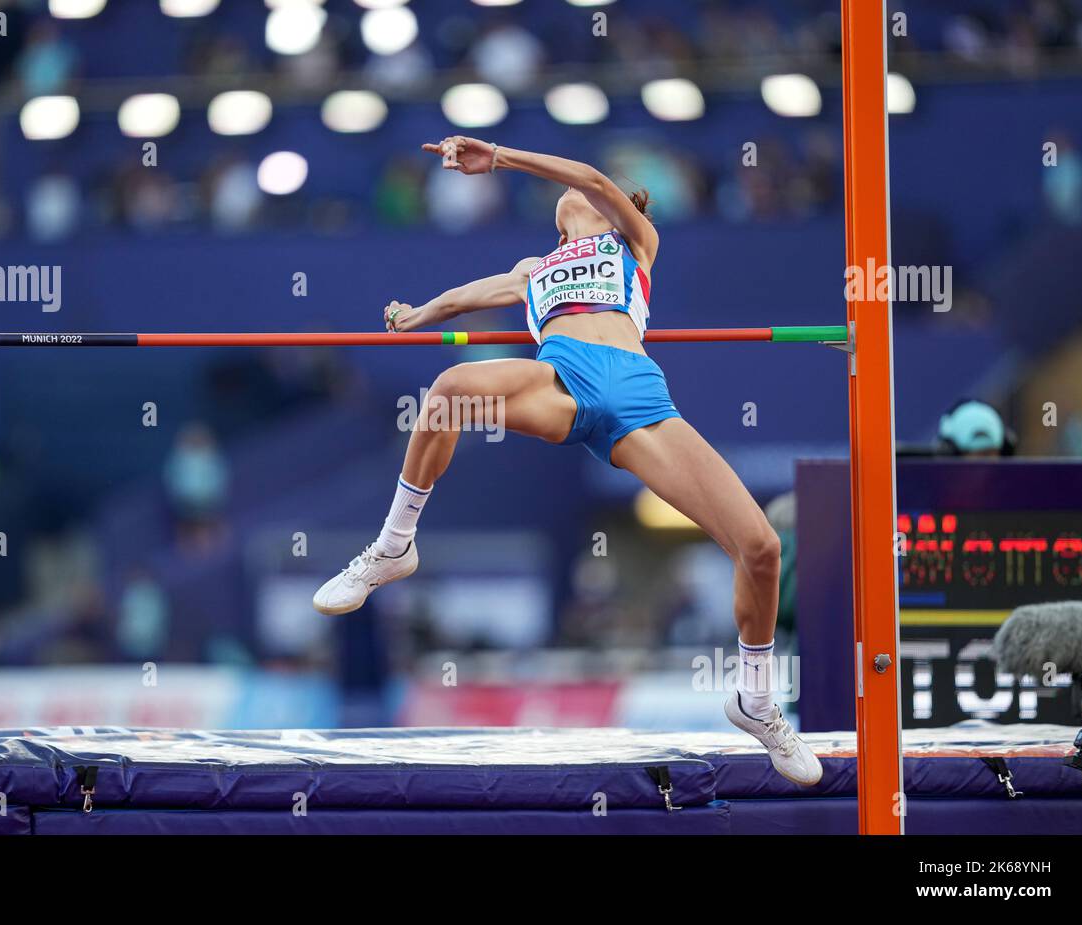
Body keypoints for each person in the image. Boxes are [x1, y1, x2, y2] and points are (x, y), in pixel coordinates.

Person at [313, 136, 821, 786]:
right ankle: (392, 547)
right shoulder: (535, 267)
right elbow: (475, 293)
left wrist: (496, 157)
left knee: (761, 547)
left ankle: (754, 700)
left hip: (639, 397)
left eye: (582, 187)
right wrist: (420, 313)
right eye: (567, 191)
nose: (572, 190)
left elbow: (591, 176)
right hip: (561, 381)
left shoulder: (633, 240)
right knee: (446, 396)